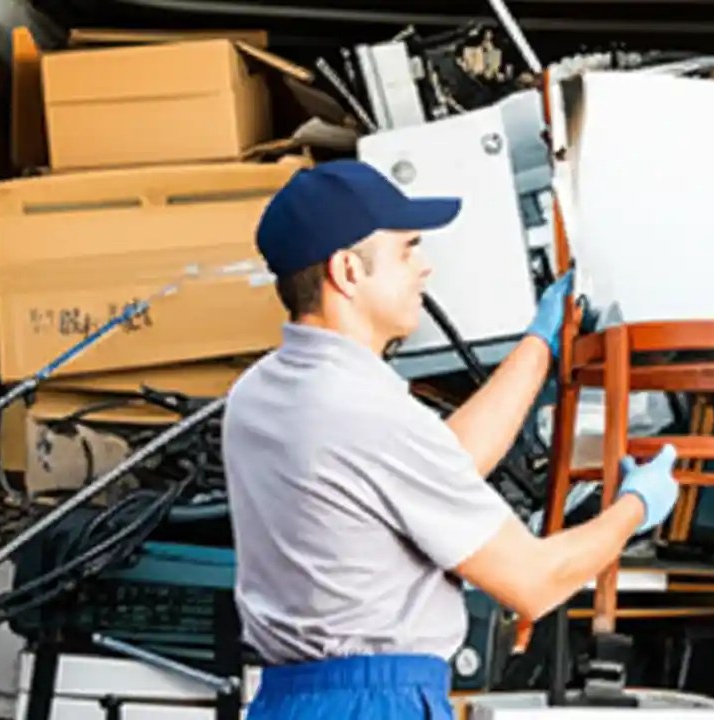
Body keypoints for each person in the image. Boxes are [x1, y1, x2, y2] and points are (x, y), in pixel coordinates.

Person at [221, 160, 681, 718]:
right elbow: (533, 581)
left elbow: (438, 467)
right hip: (377, 704)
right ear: (347, 271)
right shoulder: (366, 410)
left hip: (285, 702)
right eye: (407, 250)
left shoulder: (257, 395)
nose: (425, 267)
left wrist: (539, 345)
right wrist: (636, 507)